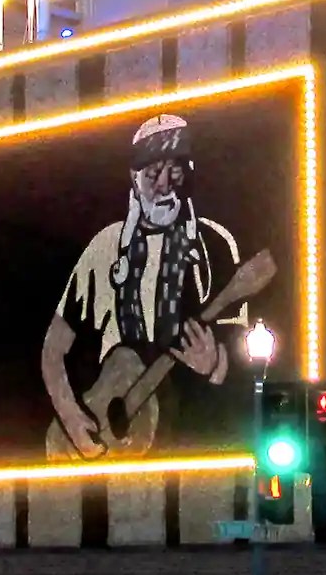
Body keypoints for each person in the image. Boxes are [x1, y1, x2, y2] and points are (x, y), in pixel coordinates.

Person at [42, 114, 248, 458]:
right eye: (152, 174)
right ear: (134, 180)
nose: (164, 185)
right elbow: (53, 350)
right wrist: (73, 419)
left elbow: (248, 358)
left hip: (186, 442)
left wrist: (215, 364)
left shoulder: (213, 245)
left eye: (175, 172)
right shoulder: (106, 248)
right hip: (107, 450)